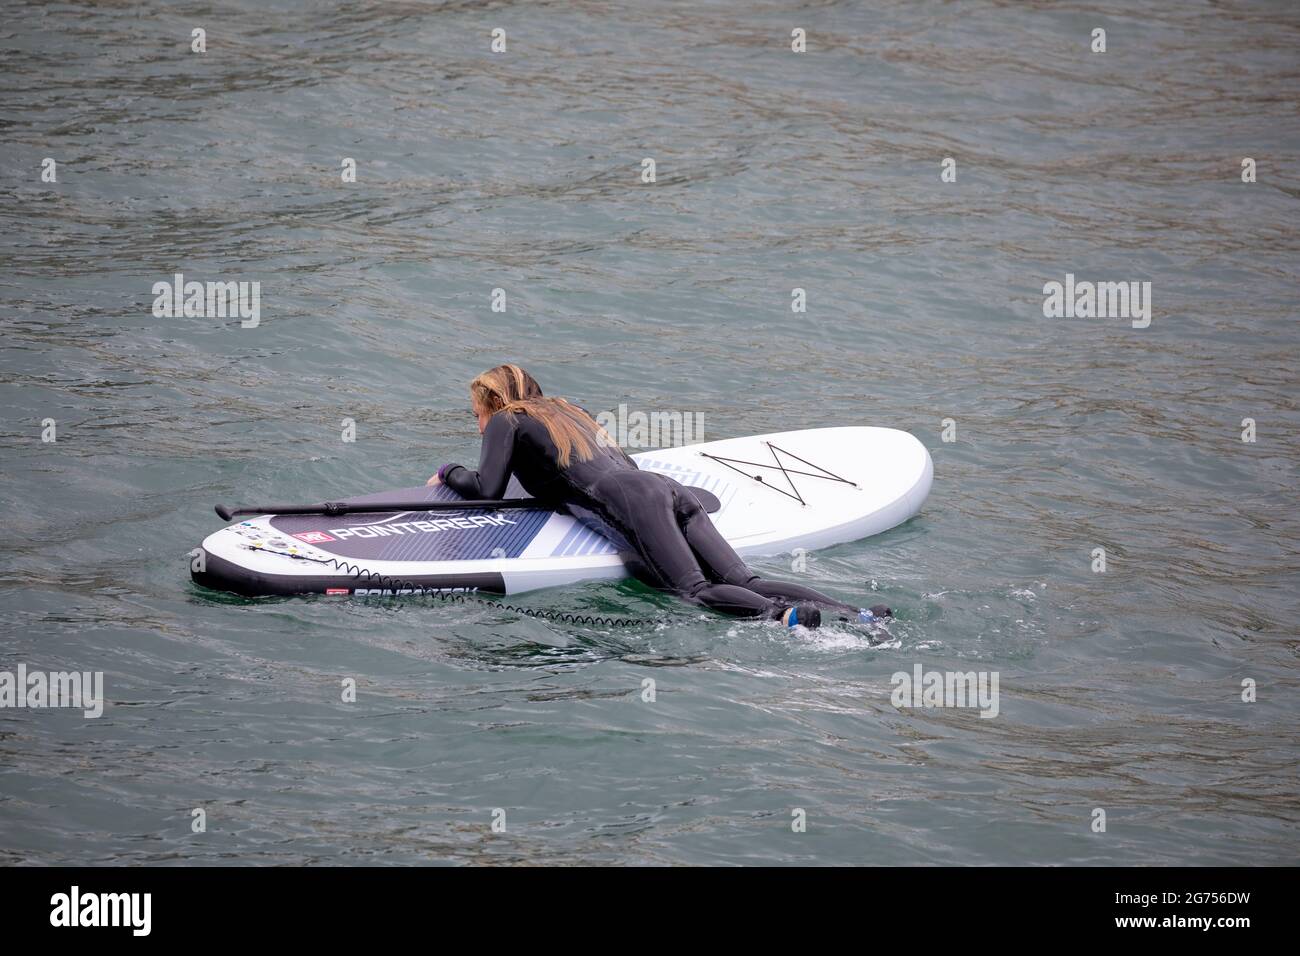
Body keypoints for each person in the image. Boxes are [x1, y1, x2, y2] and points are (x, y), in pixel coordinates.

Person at [429, 364, 890, 629]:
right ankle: (856, 614)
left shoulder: (509, 420)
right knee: (743, 580)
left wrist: (448, 472)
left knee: (692, 590)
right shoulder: (571, 413)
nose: (478, 424)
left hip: (633, 502)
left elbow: (487, 490)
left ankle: (783, 616)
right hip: (665, 490)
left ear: (495, 403)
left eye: (476, 415)